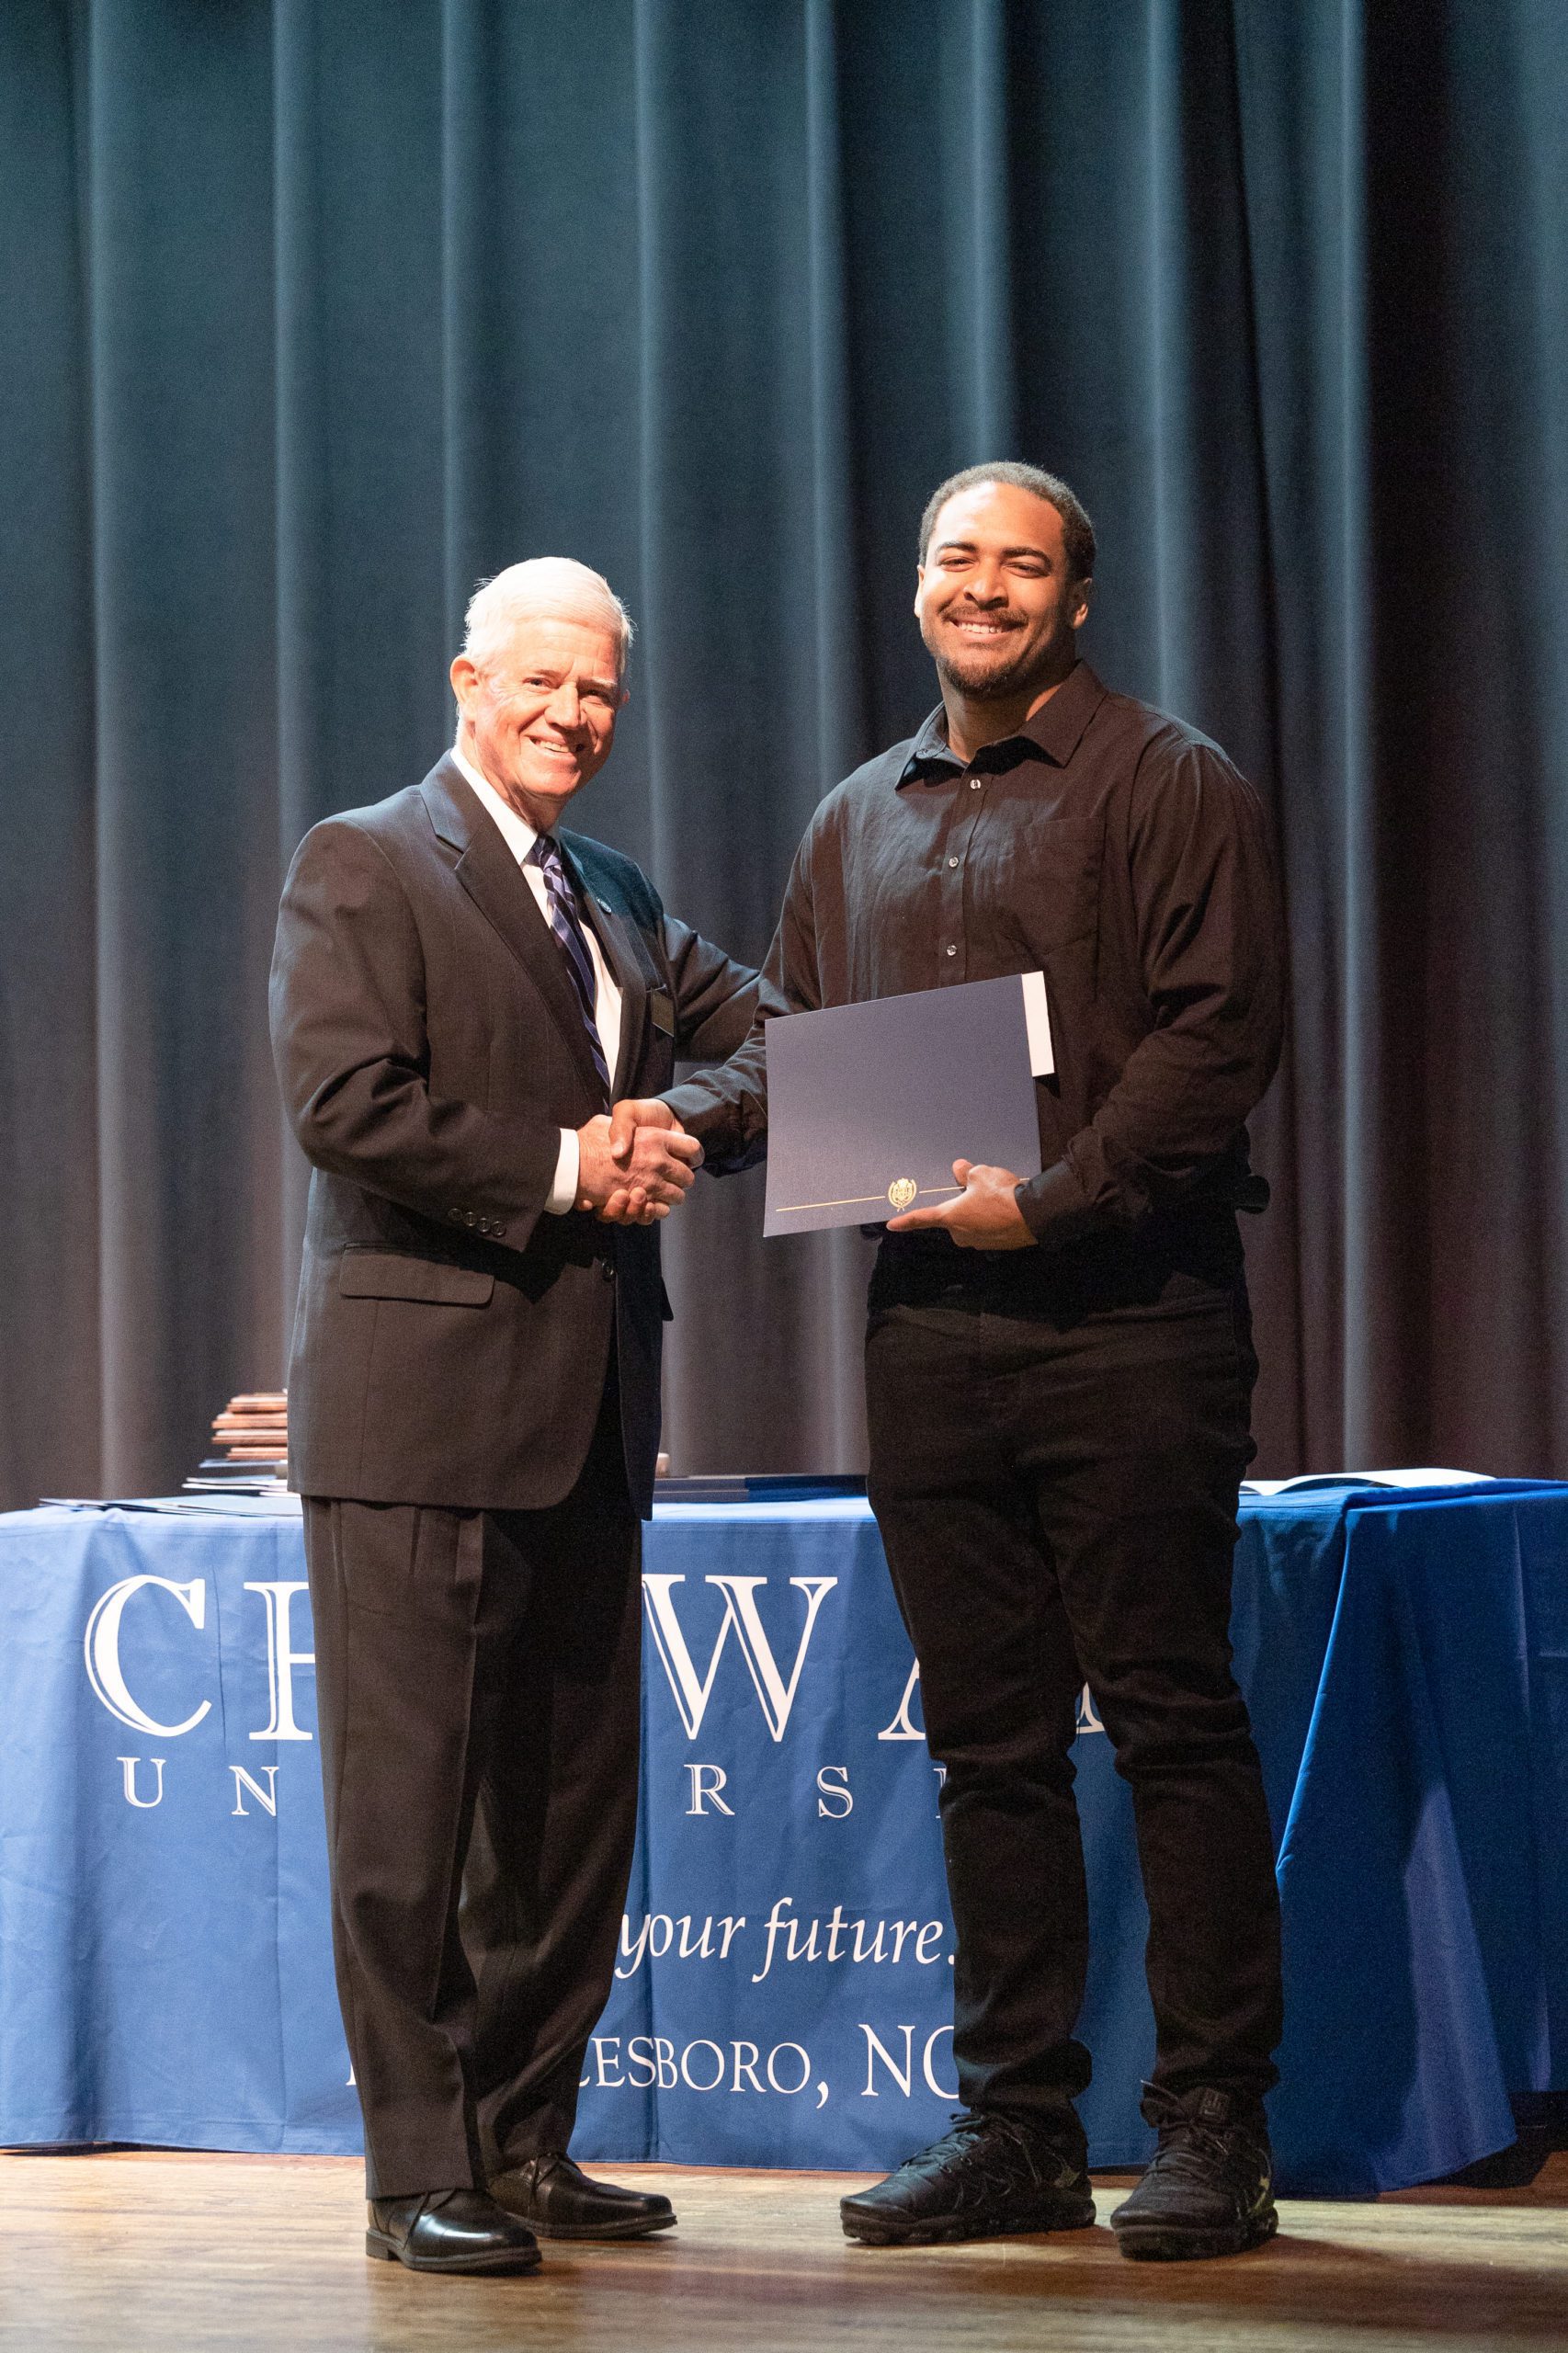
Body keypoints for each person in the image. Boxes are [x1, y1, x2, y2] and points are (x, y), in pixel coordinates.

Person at [640, 464, 1287, 2262]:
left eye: (1020, 563)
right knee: (984, 1742)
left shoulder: (1169, 781)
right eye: (955, 558)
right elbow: (798, 1051)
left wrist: (1057, 1200)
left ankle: (1214, 2124)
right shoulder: (857, 815)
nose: (981, 587)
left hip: (1132, 1314)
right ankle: (1016, 2121)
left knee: (1168, 1711)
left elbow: (1218, 1033)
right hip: (927, 1329)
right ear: (917, 585)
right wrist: (665, 1125)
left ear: (1074, 600)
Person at [269, 558, 759, 2276]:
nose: (573, 714)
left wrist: (668, 1120)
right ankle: (417, 2171)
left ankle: (526, 2144)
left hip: (588, 1413)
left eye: (602, 693)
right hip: (417, 1416)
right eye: (543, 682)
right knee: (409, 1823)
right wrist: (571, 1163)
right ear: (467, 678)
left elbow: (761, 1038)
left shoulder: (614, 887)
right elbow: (345, 1103)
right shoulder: (365, 858)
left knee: (566, 1820)